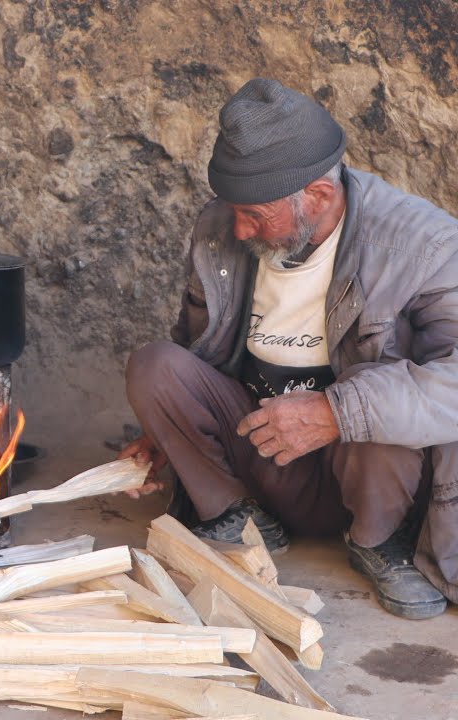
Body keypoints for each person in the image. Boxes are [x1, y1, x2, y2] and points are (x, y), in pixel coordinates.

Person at [121, 77, 458, 620]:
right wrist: (168, 435)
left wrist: (338, 412)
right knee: (154, 366)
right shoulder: (223, 226)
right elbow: (194, 349)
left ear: (319, 196)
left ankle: (377, 541)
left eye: (255, 215)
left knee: (378, 395)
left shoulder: (424, 244)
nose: (238, 226)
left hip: (367, 468)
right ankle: (237, 512)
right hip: (261, 445)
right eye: (234, 209)